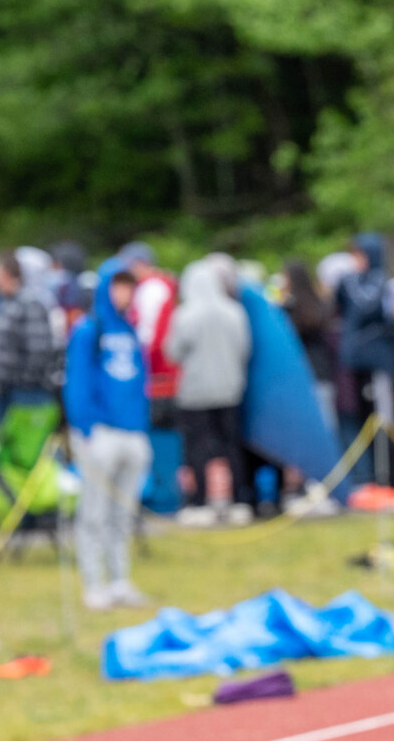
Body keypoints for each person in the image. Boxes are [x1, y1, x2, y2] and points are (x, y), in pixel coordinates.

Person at [65, 266, 153, 610]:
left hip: (131, 431)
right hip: (101, 431)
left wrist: (141, 425)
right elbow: (77, 382)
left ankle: (120, 581)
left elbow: (139, 382)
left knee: (123, 512)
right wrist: (85, 428)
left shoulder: (130, 329)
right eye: (119, 286)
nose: (124, 293)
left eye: (129, 287)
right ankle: (93, 583)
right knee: (94, 512)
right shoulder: (89, 330)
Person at [167, 256, 253, 526]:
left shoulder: (185, 314)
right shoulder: (235, 312)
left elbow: (173, 352)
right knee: (231, 445)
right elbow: (245, 349)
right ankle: (239, 500)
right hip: (230, 389)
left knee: (197, 449)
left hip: (195, 393)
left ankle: (201, 502)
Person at [336, 233, 394, 486]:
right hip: (356, 362)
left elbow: (389, 319)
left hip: (379, 365)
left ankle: (389, 477)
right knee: (363, 419)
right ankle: (371, 476)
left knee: (384, 418)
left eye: (360, 255)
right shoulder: (349, 282)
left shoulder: (387, 285)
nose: (356, 260)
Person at [0, 250, 63, 416]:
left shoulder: (30, 302)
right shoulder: (4, 301)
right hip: (3, 389)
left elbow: (39, 350)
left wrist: (21, 383)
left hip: (24, 393)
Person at [117, 242, 179, 403]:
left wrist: (139, 366)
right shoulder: (152, 286)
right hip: (160, 367)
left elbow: (149, 335)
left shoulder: (152, 288)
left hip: (157, 370)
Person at [282, 257, 338, 434]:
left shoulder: (290, 309)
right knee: (326, 428)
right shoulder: (320, 305)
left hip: (302, 376)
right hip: (322, 373)